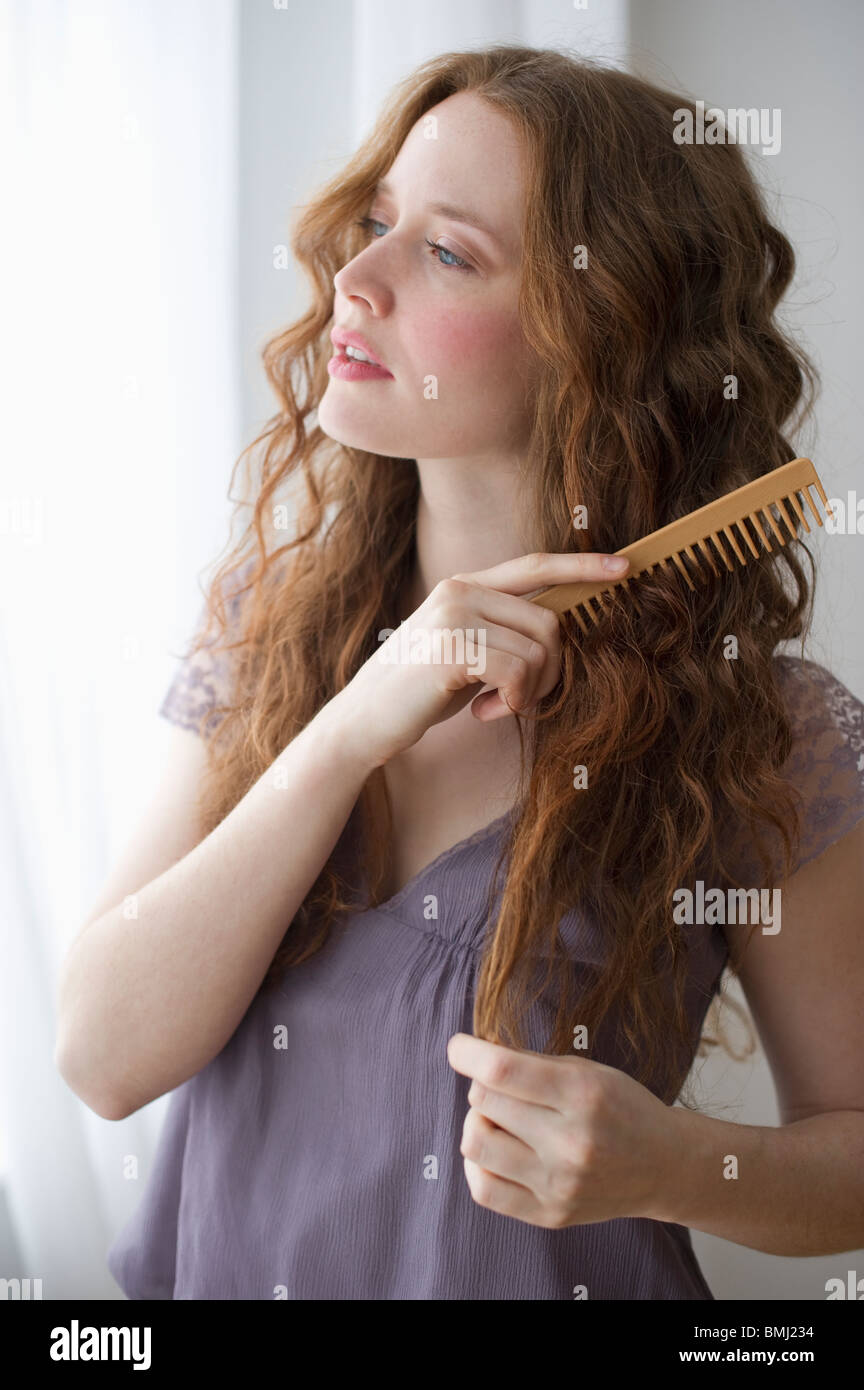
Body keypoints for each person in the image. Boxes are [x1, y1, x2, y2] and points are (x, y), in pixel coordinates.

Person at [55, 45, 864, 1300]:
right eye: (376, 222)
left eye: (446, 253)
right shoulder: (263, 639)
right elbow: (102, 1054)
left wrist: (677, 1165)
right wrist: (344, 733)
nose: (354, 278)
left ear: (598, 337)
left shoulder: (766, 733)